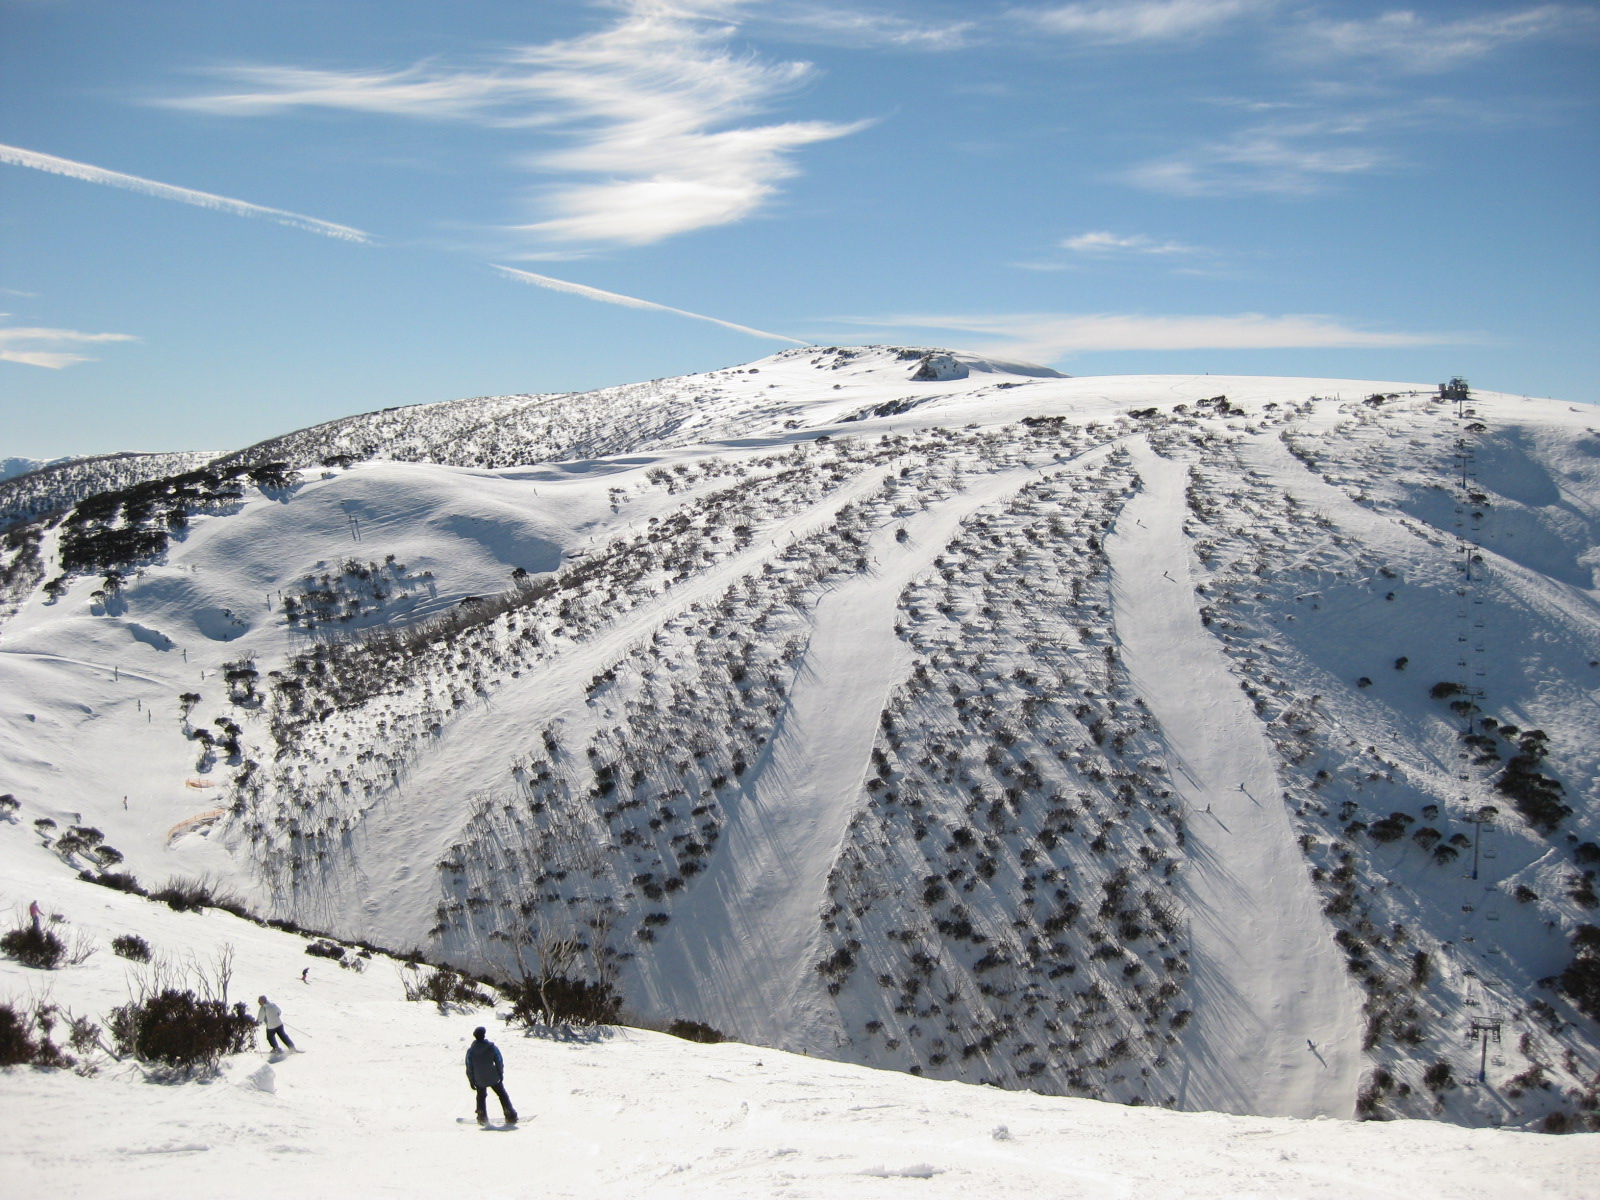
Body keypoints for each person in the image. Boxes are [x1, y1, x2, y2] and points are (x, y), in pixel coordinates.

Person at [464, 1026, 517, 1126]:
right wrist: (500, 1073)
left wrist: (471, 1080)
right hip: (493, 1076)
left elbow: (469, 1067)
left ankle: (482, 1117)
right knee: (502, 1095)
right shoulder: (491, 1047)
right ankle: (510, 1115)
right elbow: (499, 1061)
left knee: (481, 1097)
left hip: (479, 1078)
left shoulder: (471, 1051)